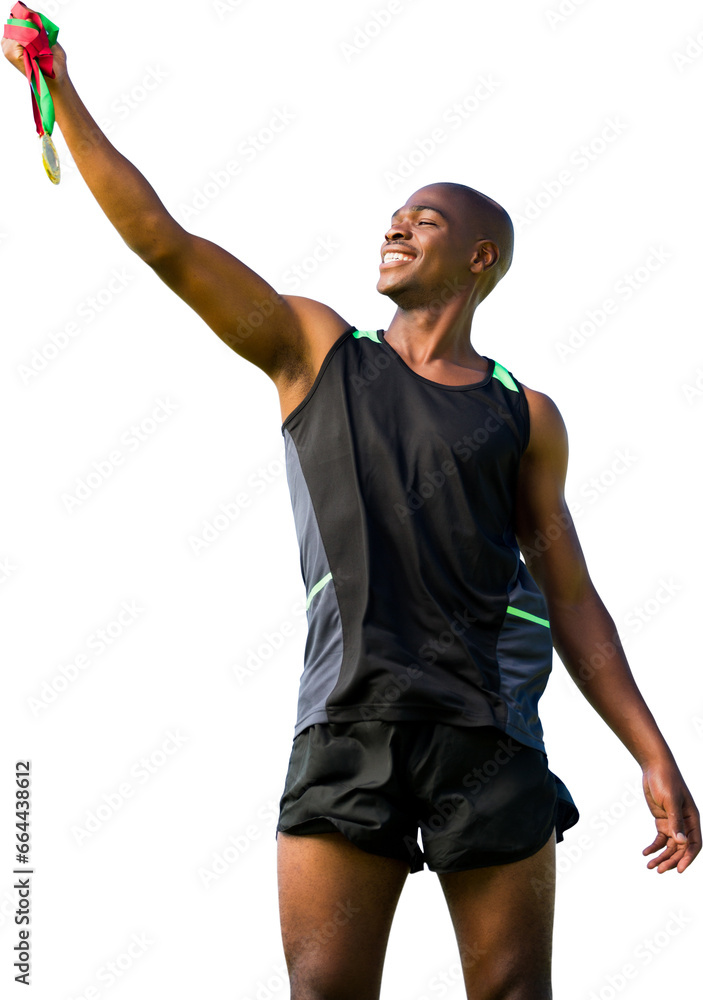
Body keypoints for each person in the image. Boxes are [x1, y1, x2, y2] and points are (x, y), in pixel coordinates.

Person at [4, 27, 700, 1000]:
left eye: (424, 219)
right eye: (393, 215)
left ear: (478, 256)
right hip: (348, 725)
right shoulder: (313, 350)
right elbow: (162, 240)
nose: (396, 227)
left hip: (491, 738)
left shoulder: (522, 413)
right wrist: (59, 89)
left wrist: (652, 750)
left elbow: (573, 597)